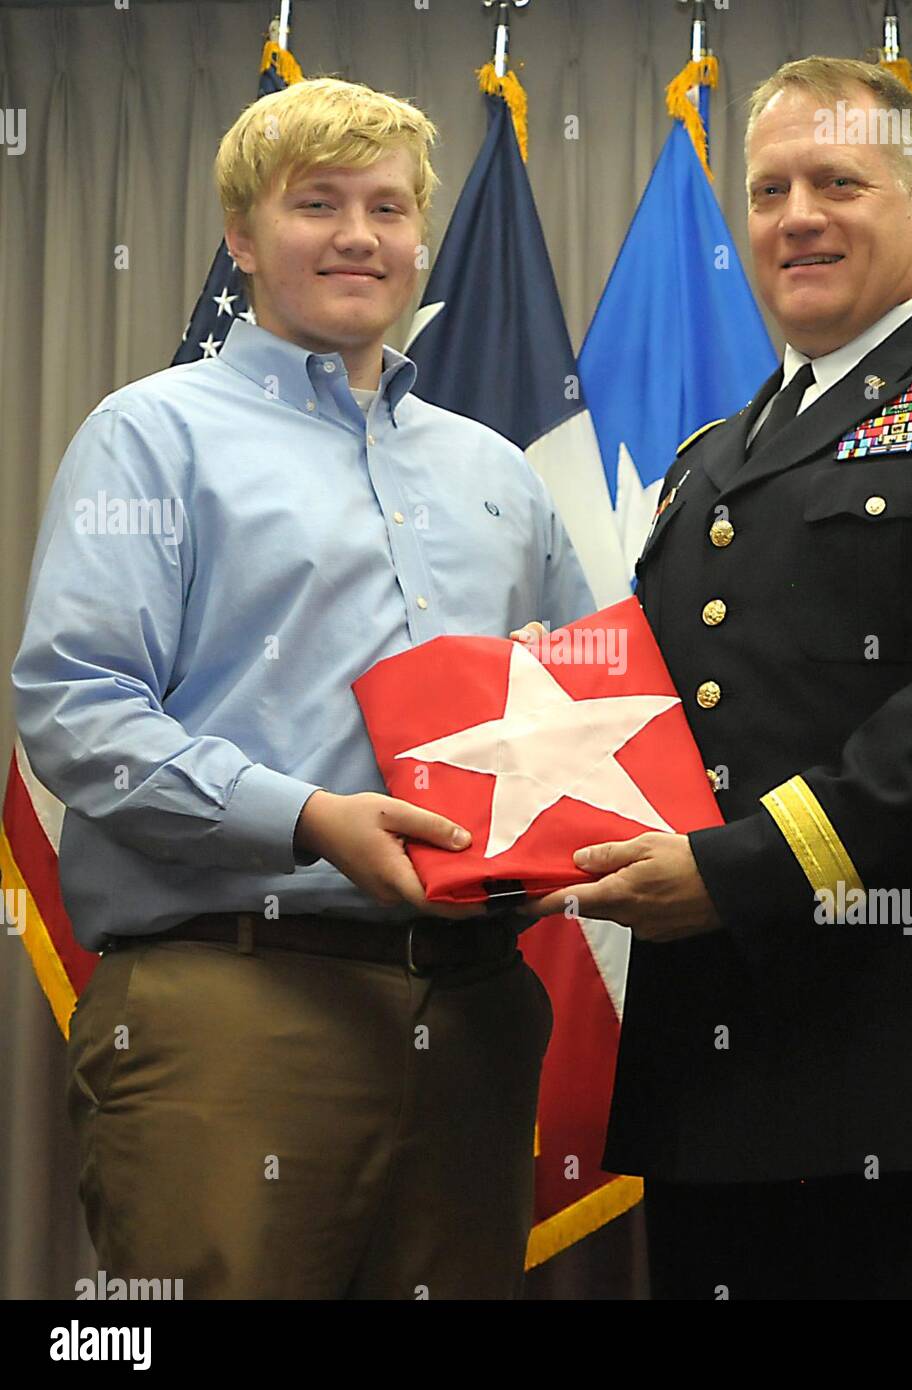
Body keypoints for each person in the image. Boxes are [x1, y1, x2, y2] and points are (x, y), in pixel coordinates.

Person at [531, 56, 912, 1299]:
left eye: (838, 180)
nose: (795, 214)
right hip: (716, 1065)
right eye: (768, 191)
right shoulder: (708, 460)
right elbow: (651, 719)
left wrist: (738, 871)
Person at [12, 77, 594, 1299]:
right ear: (240, 237)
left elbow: (588, 704)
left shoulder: (498, 472)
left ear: (422, 237)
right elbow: (78, 710)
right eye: (316, 203)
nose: (358, 235)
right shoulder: (150, 436)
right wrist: (310, 819)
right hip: (233, 1008)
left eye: (389, 207)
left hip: (477, 1014)